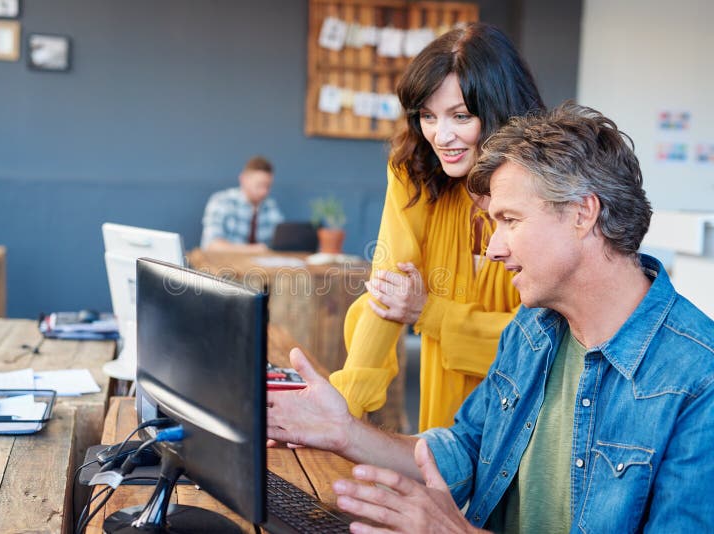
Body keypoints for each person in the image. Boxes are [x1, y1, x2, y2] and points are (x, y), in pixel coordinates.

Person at [267, 103, 714, 532]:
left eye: (510, 220)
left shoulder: (699, 379)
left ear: (583, 213)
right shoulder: (532, 329)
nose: (495, 248)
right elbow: (465, 449)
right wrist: (345, 432)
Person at [330, 23, 544, 431]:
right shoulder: (414, 171)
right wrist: (345, 406)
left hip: (529, 410)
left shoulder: (546, 186)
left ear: (500, 108)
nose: (441, 136)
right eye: (427, 116)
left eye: (460, 116)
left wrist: (430, 313)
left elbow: (540, 343)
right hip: (446, 406)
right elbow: (386, 291)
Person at [200, 156, 284, 252]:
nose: (264, 192)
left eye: (268, 186)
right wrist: (253, 250)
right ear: (243, 180)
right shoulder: (222, 201)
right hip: (225, 264)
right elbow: (212, 245)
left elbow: (280, 243)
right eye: (259, 185)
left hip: (260, 265)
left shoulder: (270, 205)